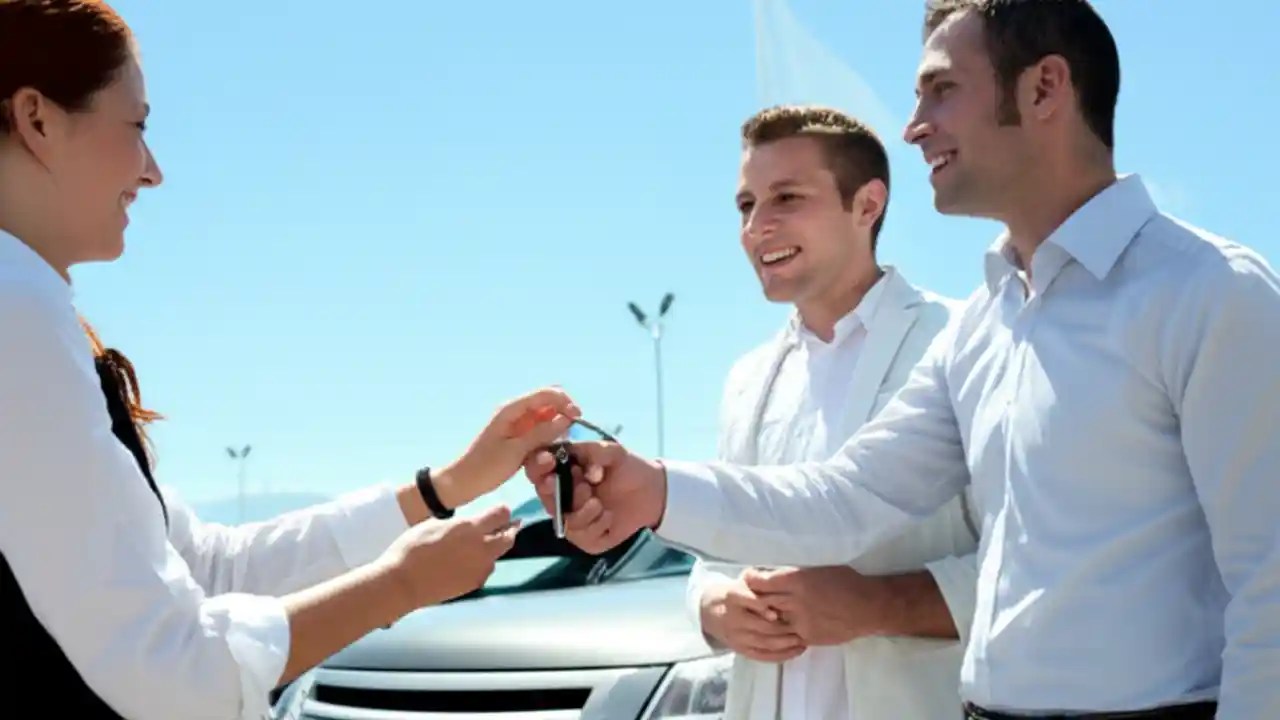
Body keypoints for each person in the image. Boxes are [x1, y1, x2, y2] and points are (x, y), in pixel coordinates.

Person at [526, 1, 1280, 718]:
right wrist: (650, 489)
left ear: (1045, 87)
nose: (914, 127)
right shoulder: (983, 326)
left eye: (942, 91)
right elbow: (845, 501)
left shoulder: (1213, 293)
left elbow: (1272, 589)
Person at [0, 3, 579, 719]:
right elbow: (171, 673)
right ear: (37, 119)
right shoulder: (16, 312)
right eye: (138, 126)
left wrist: (447, 486)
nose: (152, 172)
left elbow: (205, 566)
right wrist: (397, 588)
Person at [686, 104, 979, 720]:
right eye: (746, 206)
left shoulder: (964, 341)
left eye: (786, 198)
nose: (756, 228)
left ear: (867, 205)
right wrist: (712, 605)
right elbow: (716, 556)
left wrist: (875, 605)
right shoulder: (745, 380)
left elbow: (1026, 564)